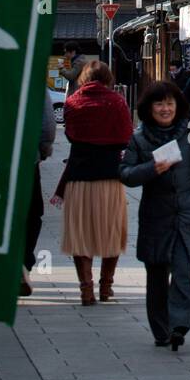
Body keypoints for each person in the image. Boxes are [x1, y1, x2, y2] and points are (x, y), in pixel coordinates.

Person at [120, 81, 190, 350]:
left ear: (178, 106)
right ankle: (161, 331)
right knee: (156, 276)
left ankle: (179, 326)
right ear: (148, 108)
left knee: (183, 271)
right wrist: (151, 169)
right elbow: (126, 174)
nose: (165, 109)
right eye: (159, 104)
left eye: (170, 103)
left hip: (188, 213)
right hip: (156, 216)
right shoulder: (139, 138)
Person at [59, 61, 133, 305]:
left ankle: (86, 289)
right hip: (110, 175)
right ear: (107, 77)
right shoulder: (117, 101)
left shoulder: (72, 102)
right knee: (111, 233)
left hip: (79, 175)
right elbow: (125, 136)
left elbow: (70, 134)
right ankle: (106, 287)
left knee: (80, 236)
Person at [20, 88, 57, 296]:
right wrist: (42, 150)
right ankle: (23, 263)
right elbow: (48, 125)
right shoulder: (30, 78)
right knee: (31, 214)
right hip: (26, 158)